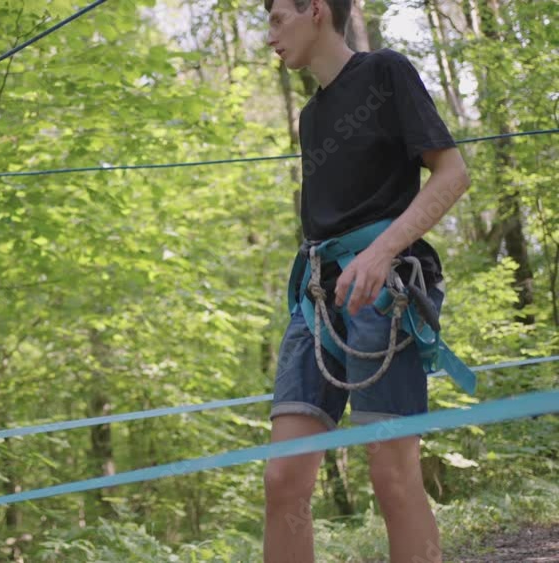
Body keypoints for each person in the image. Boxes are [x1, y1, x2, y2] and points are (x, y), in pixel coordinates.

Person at [262, 1, 471, 561]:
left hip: (385, 293)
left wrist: (382, 252)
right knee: (284, 479)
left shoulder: (386, 72)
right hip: (315, 299)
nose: (269, 36)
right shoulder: (311, 116)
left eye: (278, 18)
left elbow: (452, 173)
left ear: (316, 12)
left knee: (392, 475)